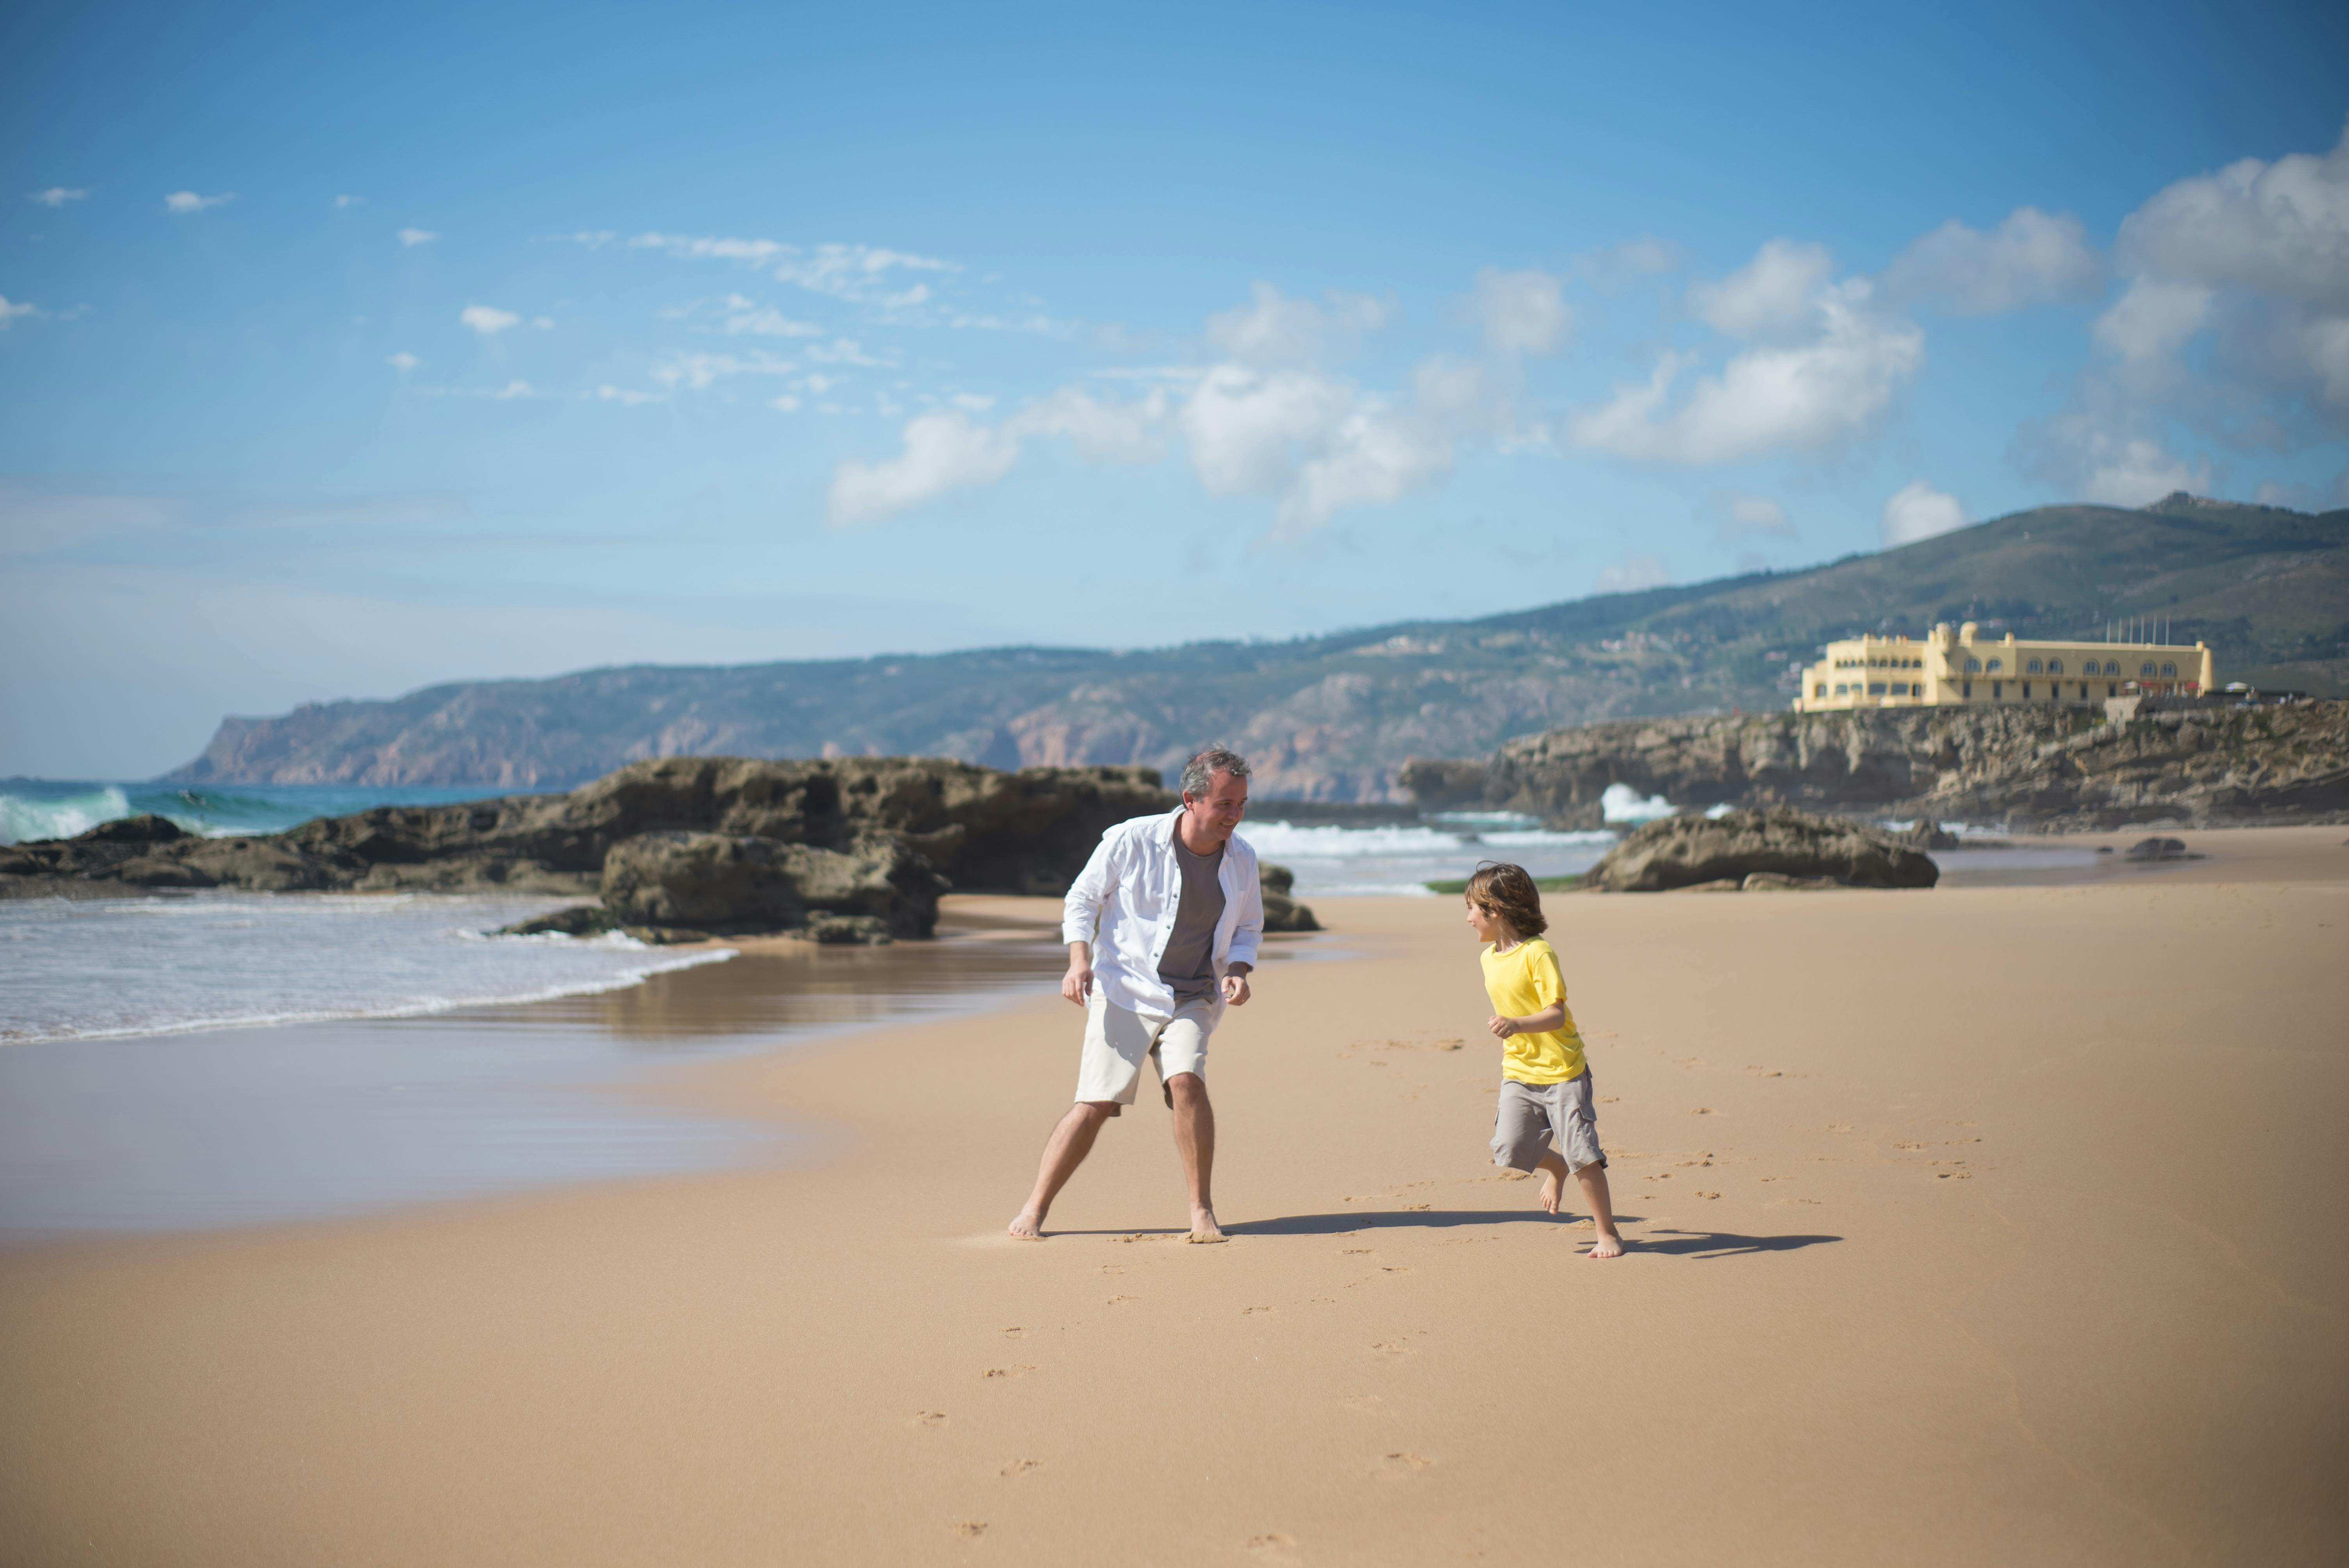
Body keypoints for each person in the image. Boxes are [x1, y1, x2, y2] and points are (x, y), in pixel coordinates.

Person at [1008, 745, 1264, 1243]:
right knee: (1096, 1103)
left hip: (1193, 994)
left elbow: (1248, 927)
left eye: (1241, 804)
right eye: (1224, 804)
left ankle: (1201, 1211)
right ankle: (1034, 1208)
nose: (1234, 815)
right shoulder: (1132, 838)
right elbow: (1083, 899)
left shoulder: (1243, 858)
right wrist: (1078, 960)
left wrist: (1238, 970)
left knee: (1187, 1082)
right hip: (1124, 987)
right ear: (1190, 799)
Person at [1464, 861, 1624, 1260]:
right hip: (1519, 1071)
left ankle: (1608, 1233)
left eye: (1472, 909)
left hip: (1564, 1071)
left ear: (1496, 910)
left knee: (1583, 1154)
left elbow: (1556, 1014)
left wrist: (1515, 1024)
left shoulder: (1539, 953)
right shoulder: (1487, 959)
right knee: (1508, 1148)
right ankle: (1557, 1167)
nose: (1468, 919)